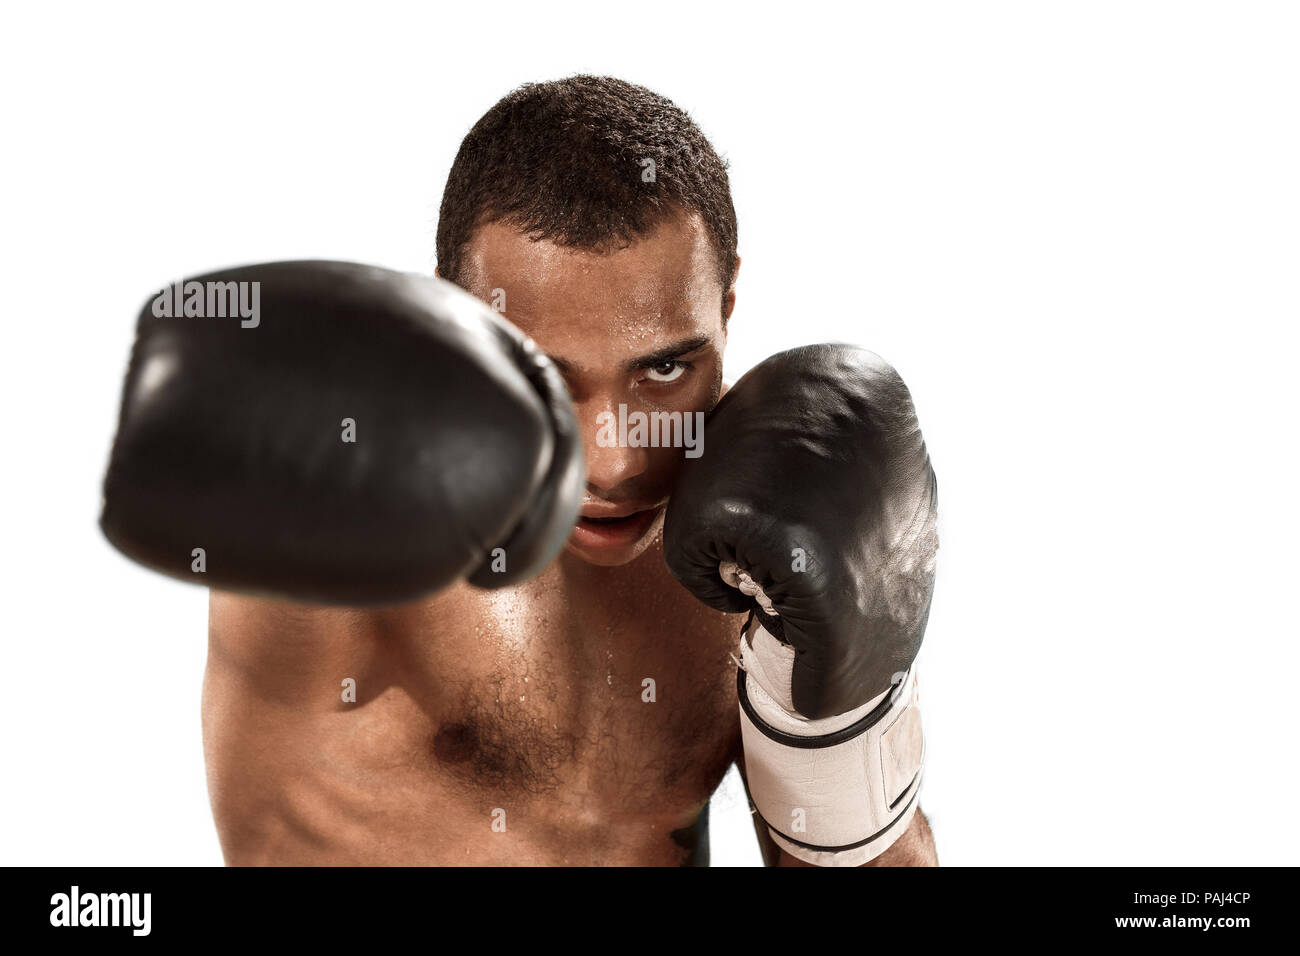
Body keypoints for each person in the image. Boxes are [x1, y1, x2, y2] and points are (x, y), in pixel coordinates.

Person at [101, 76, 939, 866]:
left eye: (662, 371)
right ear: (450, 321)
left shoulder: (751, 527)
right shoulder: (355, 522)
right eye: (548, 376)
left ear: (726, 307)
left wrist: (844, 734)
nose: (613, 462)